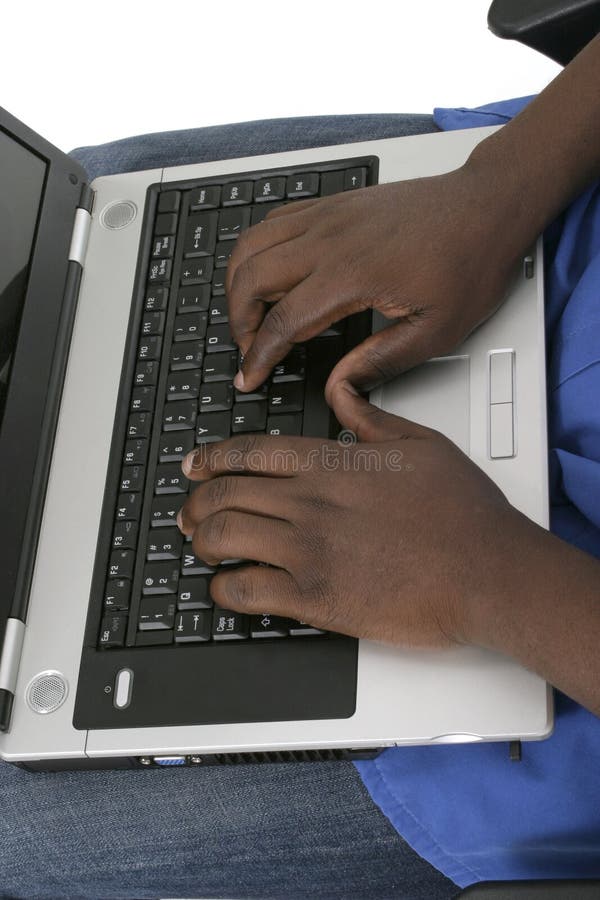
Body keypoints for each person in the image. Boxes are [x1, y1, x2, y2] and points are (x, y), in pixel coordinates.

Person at [1, 34, 599, 900]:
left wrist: (491, 581)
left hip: (547, 647)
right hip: (549, 212)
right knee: (91, 223)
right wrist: (497, 186)